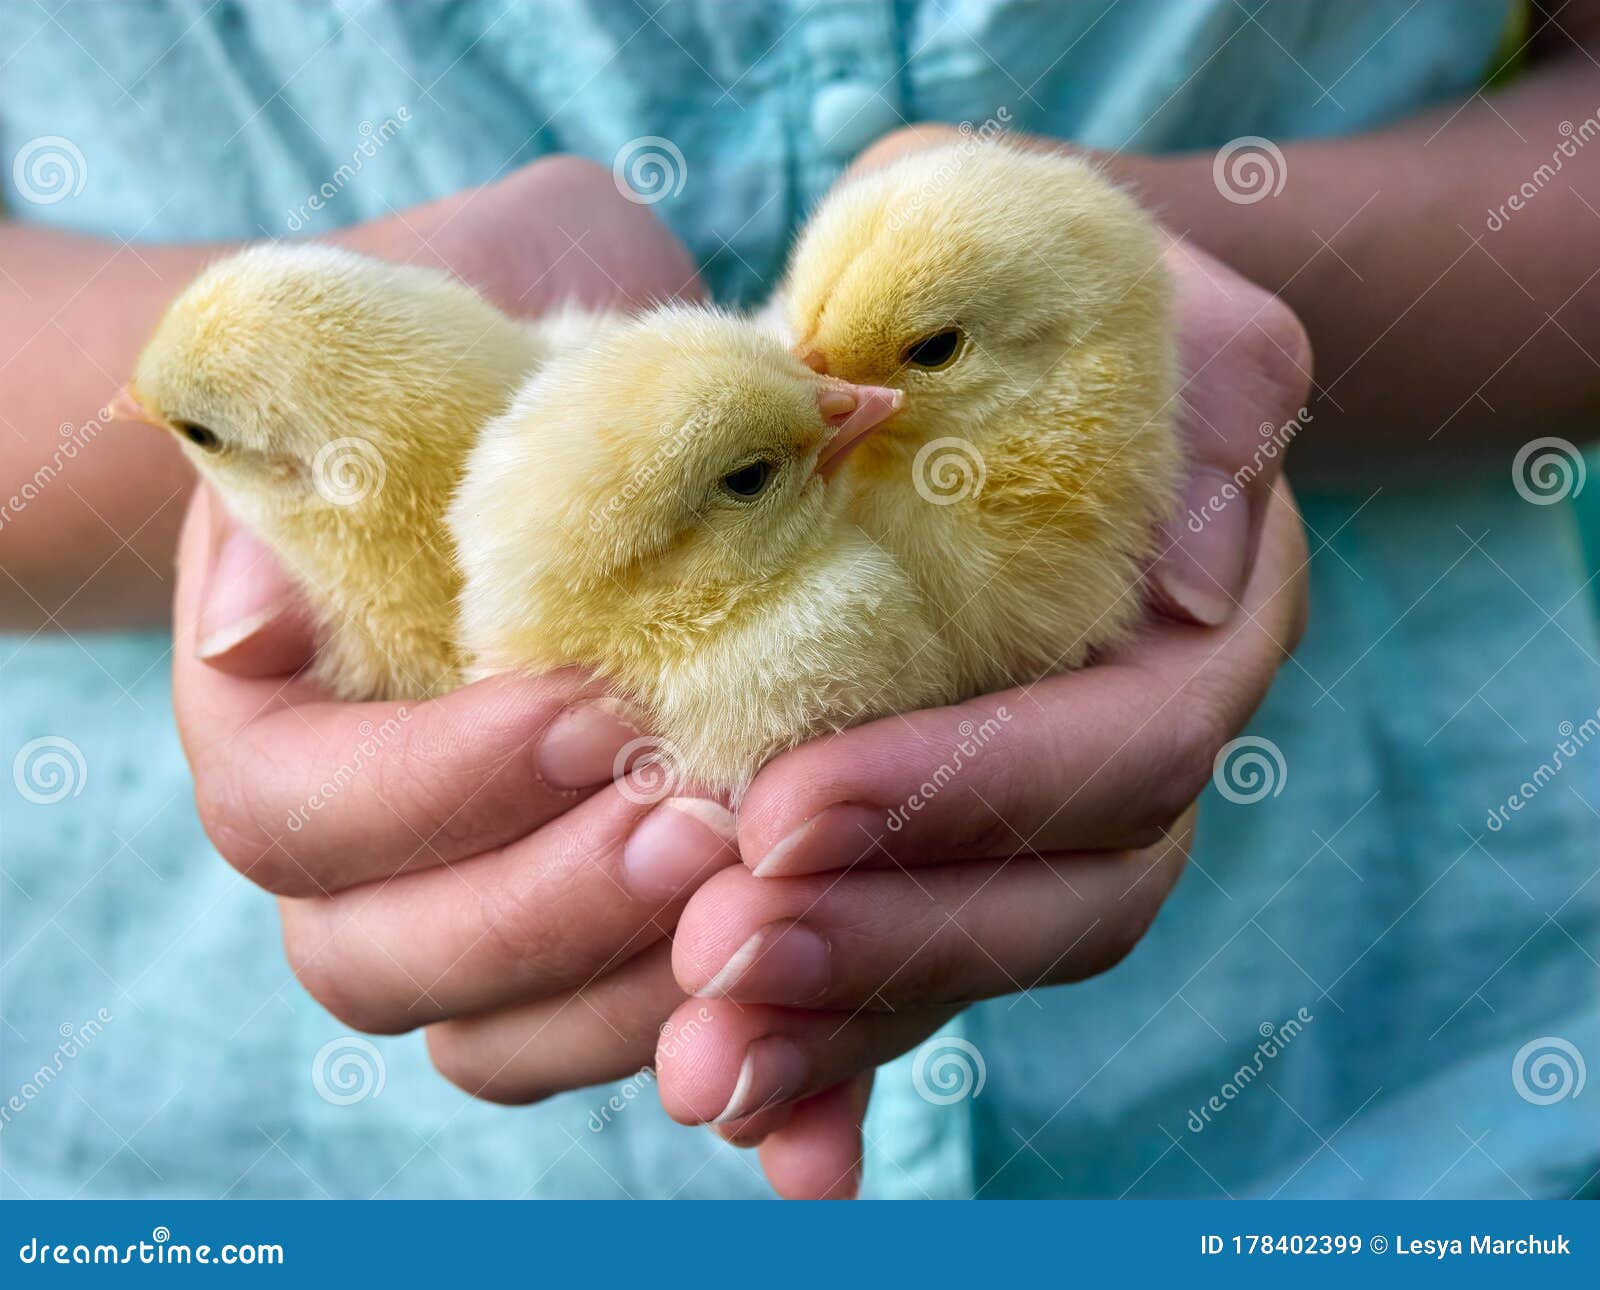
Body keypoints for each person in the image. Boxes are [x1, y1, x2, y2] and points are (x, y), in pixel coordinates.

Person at [1, 1, 1593, 1200]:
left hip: (1367, 1074)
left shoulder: (863, 500)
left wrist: (1165, 323)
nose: (841, 404)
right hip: (246, 1151)